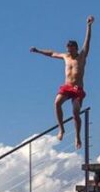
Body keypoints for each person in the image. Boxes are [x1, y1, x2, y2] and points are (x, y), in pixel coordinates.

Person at [30, 15, 94, 146]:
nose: (68, 52)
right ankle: (61, 129)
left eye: (70, 49)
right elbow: (52, 53)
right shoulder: (66, 56)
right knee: (57, 103)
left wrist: (89, 26)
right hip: (67, 87)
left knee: (75, 111)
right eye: (67, 49)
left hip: (77, 89)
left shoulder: (82, 56)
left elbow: (87, 42)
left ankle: (77, 137)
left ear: (75, 48)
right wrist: (38, 51)